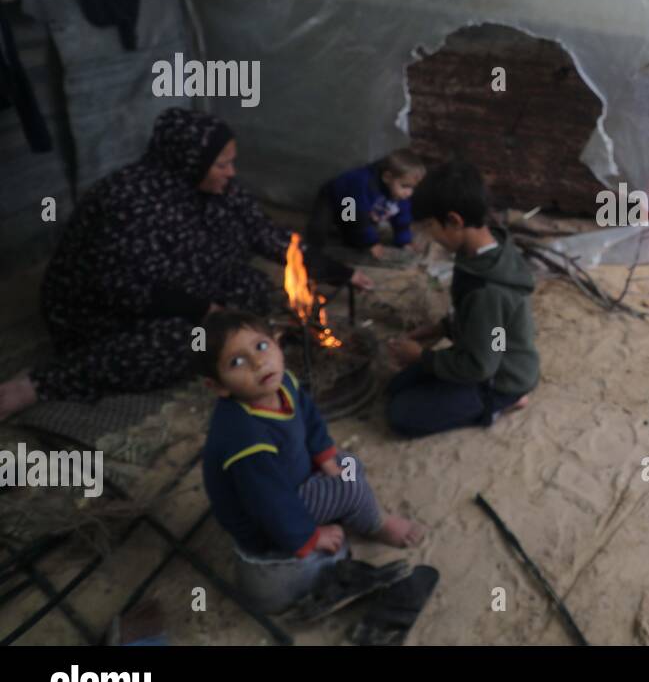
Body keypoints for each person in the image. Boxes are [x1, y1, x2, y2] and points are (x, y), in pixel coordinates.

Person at [0, 107, 372, 420]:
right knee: (188, 344)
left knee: (252, 288)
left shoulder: (219, 188)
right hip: (109, 311)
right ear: (188, 161)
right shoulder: (125, 200)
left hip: (186, 285)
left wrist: (341, 271)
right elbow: (121, 286)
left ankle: (209, 319)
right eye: (223, 164)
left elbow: (270, 237)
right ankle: (36, 386)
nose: (232, 172)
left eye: (232, 162)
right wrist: (204, 309)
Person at [200, 309, 423, 562]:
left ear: (277, 340)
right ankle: (378, 523)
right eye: (237, 362)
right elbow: (270, 504)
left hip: (292, 477)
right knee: (349, 489)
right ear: (218, 385)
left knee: (349, 464)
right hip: (266, 521)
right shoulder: (246, 439)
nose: (258, 363)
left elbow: (310, 420)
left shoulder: (283, 383)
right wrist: (310, 536)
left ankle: (351, 505)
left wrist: (326, 460)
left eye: (261, 346)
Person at [384, 161, 538, 438]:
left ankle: (504, 402)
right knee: (395, 387)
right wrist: (440, 329)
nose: (428, 234)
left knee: (400, 415)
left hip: (497, 377)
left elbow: (479, 365)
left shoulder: (487, 290)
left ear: (454, 220)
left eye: (430, 225)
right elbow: (477, 323)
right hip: (485, 353)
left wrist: (421, 356)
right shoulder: (480, 253)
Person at [306, 149, 426, 261]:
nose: (409, 193)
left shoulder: (400, 195)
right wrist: (372, 243)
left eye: (412, 188)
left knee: (354, 234)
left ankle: (349, 238)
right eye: (405, 186)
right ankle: (311, 253)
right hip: (336, 197)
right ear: (387, 177)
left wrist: (404, 241)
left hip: (355, 206)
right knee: (320, 227)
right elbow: (357, 217)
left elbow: (402, 220)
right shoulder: (364, 184)